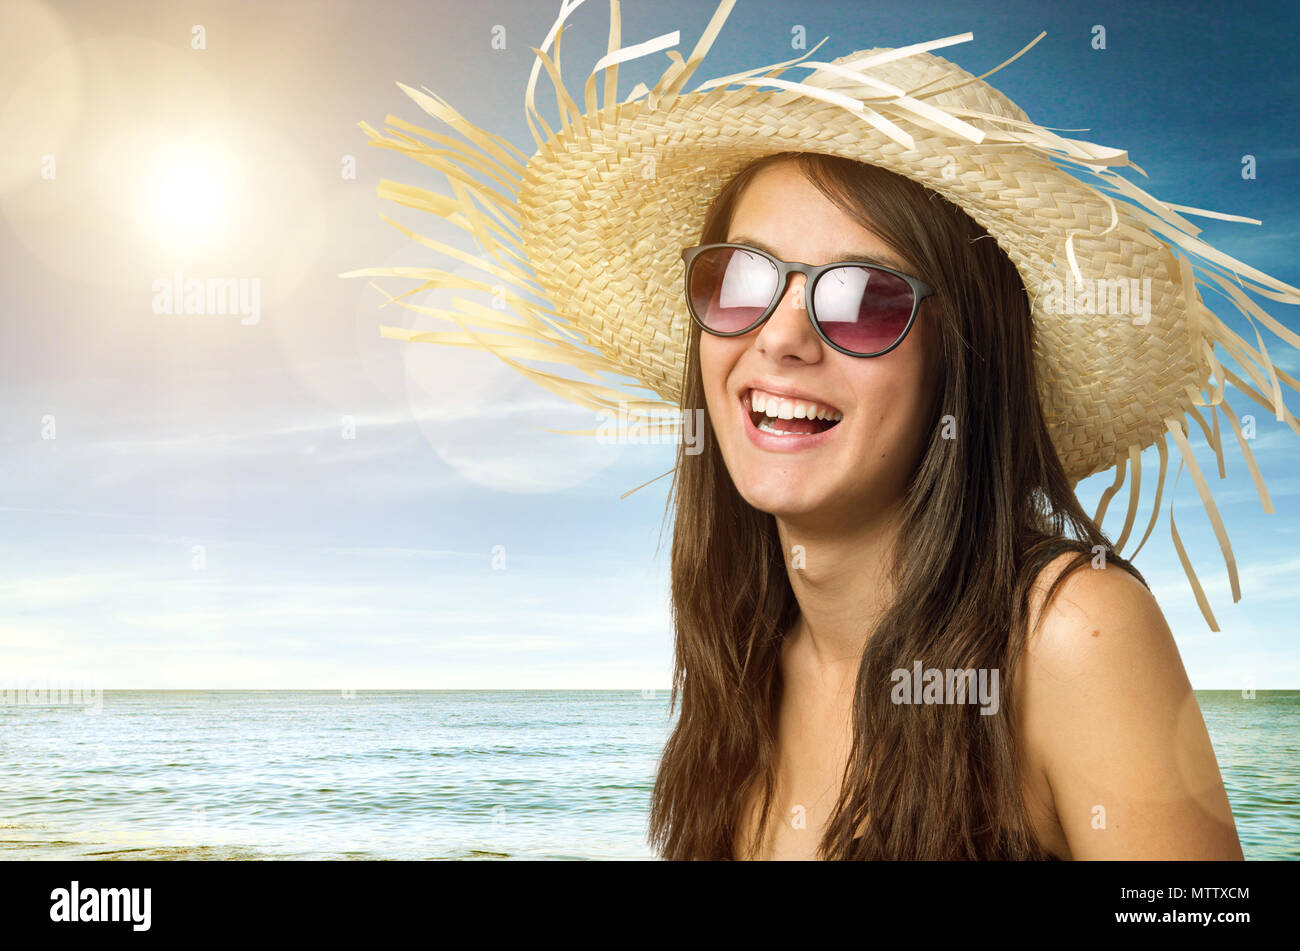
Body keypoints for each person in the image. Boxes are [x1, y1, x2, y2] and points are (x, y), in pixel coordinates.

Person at [345, 0, 1300, 859]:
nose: (783, 337)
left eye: (866, 299)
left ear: (960, 363)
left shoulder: (1071, 634)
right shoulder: (744, 659)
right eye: (743, 279)